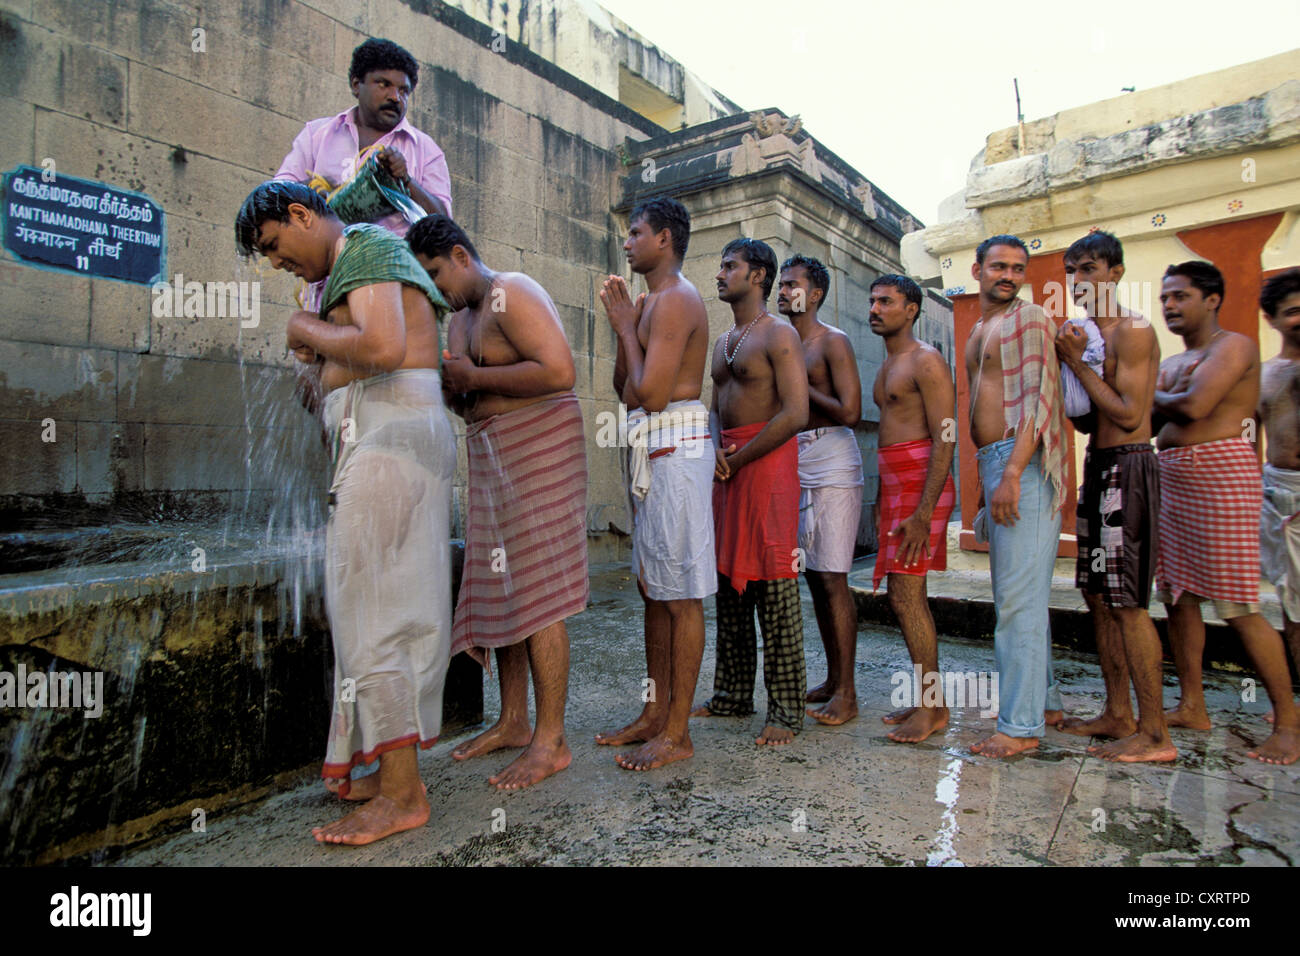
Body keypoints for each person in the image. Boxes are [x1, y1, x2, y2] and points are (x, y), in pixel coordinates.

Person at [236, 181, 454, 845]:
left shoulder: (363, 246)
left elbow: (384, 348)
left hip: (391, 440)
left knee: (376, 616)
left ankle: (402, 795)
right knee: (379, 610)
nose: (278, 262)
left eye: (276, 245)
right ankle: (381, 773)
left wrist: (306, 329)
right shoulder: (357, 263)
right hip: (393, 438)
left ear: (302, 215)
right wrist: (323, 349)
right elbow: (354, 362)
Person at [407, 214, 589, 788]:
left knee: (540, 594)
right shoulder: (460, 319)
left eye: (436, 274)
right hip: (491, 456)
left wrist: (474, 380)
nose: (437, 289)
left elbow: (560, 371)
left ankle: (552, 740)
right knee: (505, 590)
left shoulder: (513, 292)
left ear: (461, 256)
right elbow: (471, 397)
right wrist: (452, 388)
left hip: (541, 453)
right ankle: (513, 721)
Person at [1153, 261, 1298, 765]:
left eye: (1180, 296)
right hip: (1173, 477)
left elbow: (1195, 407)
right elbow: (1144, 417)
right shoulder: (1176, 360)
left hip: (1220, 476)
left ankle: (1288, 722)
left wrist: (1136, 386)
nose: (1170, 306)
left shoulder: (1234, 346)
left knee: (1237, 605)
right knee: (1177, 596)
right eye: (1165, 298)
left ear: (1212, 299)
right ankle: (1192, 704)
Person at [594, 197, 714, 771]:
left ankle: (679, 731)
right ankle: (654, 712)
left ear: (665, 239)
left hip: (676, 450)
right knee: (653, 590)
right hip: (651, 450)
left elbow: (654, 395)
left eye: (636, 233)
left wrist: (625, 324)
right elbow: (625, 387)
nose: (627, 242)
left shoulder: (677, 299)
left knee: (682, 594)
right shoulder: (650, 305)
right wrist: (625, 329)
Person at [1053, 231, 1174, 763]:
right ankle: (1118, 713)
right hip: (1098, 464)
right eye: (1073, 270)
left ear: (1116, 272)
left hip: (1130, 464)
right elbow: (1085, 418)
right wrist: (1068, 371)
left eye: (1090, 269)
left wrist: (1078, 365)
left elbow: (1128, 414)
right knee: (1098, 598)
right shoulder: (1085, 335)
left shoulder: (1134, 331)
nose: (1080, 280)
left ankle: (1155, 735)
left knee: (1127, 602)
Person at [691, 238, 810, 746]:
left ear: (758, 275)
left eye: (730, 266)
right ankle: (732, 695)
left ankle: (785, 711)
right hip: (727, 468)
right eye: (720, 266)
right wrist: (716, 446)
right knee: (727, 580)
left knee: (775, 583)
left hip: (767, 467)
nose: (720, 274)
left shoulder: (780, 334)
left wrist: (738, 457)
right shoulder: (723, 342)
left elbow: (795, 413)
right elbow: (716, 406)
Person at [964, 234, 1068, 758]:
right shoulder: (980, 328)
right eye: (999, 266)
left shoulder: (1029, 320)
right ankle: (1042, 703)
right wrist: (991, 482)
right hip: (998, 464)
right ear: (977, 269)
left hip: (1019, 463)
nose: (1009, 274)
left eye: (1018, 267)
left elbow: (1038, 401)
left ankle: (1020, 729)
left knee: (1018, 602)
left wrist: (1013, 472)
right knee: (1020, 598)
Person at [868, 274, 957, 743]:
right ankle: (930, 700)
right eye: (873, 300)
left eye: (887, 301)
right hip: (896, 484)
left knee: (906, 594)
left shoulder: (926, 360)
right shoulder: (887, 366)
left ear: (913, 309)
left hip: (923, 483)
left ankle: (934, 709)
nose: (876, 308)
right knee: (904, 596)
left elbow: (946, 433)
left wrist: (923, 511)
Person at [776, 255, 864, 727]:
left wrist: (799, 391)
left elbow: (851, 410)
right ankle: (832, 679)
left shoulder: (833, 342)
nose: (784, 290)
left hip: (831, 457)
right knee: (812, 576)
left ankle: (847, 693)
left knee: (833, 576)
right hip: (793, 456)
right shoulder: (780, 338)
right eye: (782, 283)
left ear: (815, 294)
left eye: (793, 284)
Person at [276, 38, 451, 233]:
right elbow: (275, 194)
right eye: (384, 84)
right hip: (323, 260)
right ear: (356, 85)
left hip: (395, 262)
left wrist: (406, 180)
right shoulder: (316, 134)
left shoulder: (426, 150)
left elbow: (444, 227)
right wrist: (316, 192)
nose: (395, 97)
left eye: (403, 90)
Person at [1258, 268, 1300, 691]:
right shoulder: (1266, 375)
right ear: (1271, 318)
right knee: (1293, 604)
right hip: (1281, 494)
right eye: (1293, 312)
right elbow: (1246, 437)